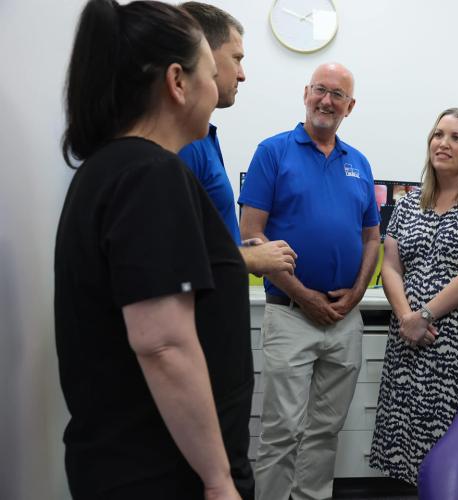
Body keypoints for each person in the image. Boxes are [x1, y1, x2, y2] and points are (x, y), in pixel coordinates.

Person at [55, 1, 296, 499]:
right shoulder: (150, 175)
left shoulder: (115, 168)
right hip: (163, 471)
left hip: (134, 461)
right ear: (177, 82)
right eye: (212, 71)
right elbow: (162, 345)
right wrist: (217, 480)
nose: (224, 83)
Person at [238, 62, 381, 500]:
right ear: (306, 93)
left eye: (338, 94)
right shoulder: (273, 152)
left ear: (350, 106)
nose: (327, 100)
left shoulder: (358, 162)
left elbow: (372, 236)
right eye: (321, 90)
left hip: (343, 321)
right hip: (290, 314)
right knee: (281, 431)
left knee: (325, 431)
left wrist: (355, 294)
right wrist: (304, 296)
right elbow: (250, 234)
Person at [368, 108, 458, 485]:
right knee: (414, 452)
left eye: (455, 137)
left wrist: (426, 316)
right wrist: (407, 318)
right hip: (410, 344)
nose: (443, 143)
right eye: (438, 135)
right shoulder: (408, 204)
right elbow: (391, 267)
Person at [178, 2, 245, 244]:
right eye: (236, 59)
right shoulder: (181, 141)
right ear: (204, 55)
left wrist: (240, 248)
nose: (242, 74)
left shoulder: (203, 136)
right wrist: (246, 259)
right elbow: (175, 252)